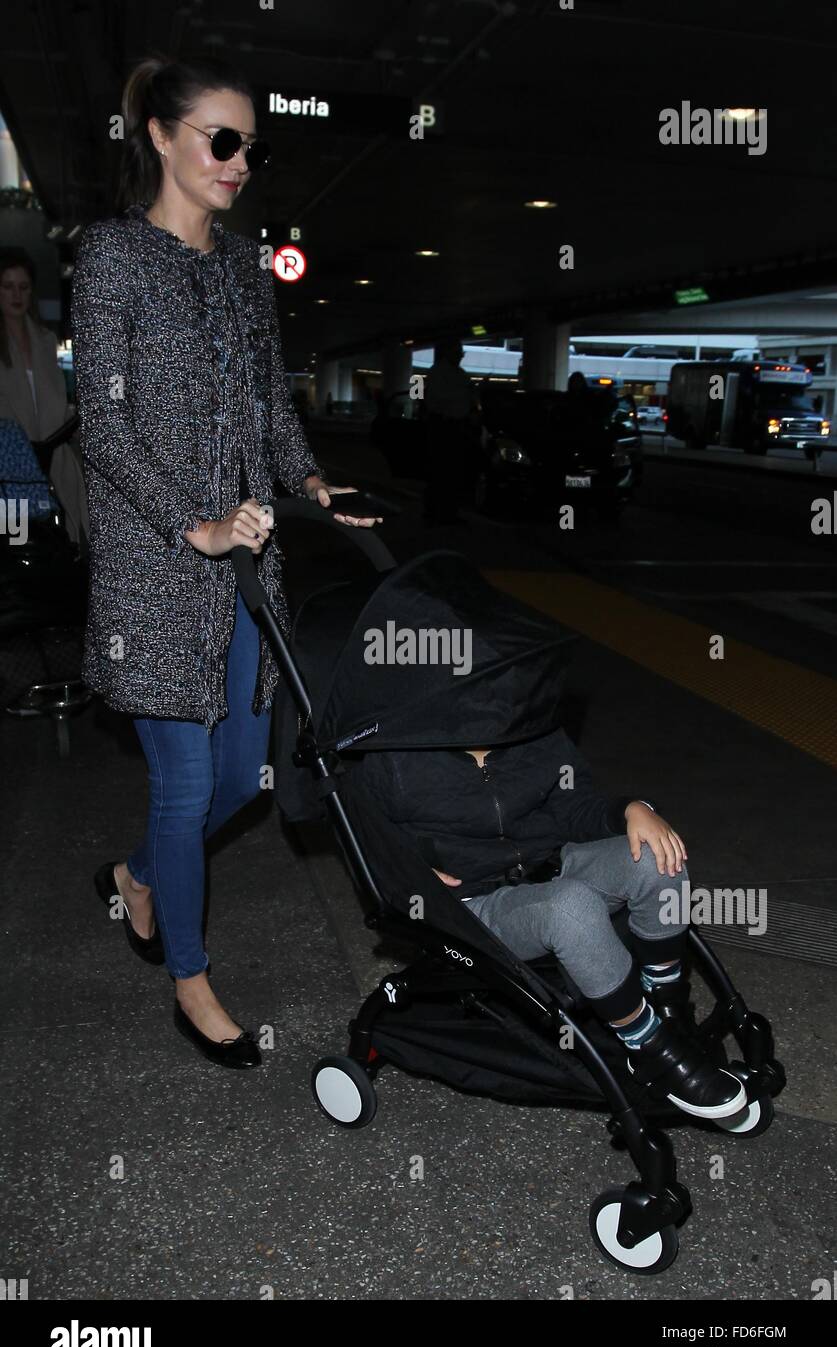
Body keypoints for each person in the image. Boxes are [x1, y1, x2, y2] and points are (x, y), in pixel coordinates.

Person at [71, 52, 382, 1069]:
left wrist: (312, 484)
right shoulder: (111, 257)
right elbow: (105, 428)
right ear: (161, 137)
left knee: (252, 770)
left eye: (251, 143)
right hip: (155, 569)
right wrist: (188, 525)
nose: (240, 160)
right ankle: (191, 981)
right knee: (185, 781)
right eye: (221, 138)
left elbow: (269, 408)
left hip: (248, 563)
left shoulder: (248, 265)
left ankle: (140, 878)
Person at [355, 728, 747, 1119]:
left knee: (657, 858)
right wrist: (405, 872)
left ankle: (668, 1010)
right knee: (570, 907)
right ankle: (646, 1045)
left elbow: (579, 810)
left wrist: (633, 809)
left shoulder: (535, 734)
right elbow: (368, 837)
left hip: (553, 865)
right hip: (473, 904)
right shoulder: (395, 758)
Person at [0, 248, 89, 544]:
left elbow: (56, 404)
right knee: (18, 547)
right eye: (8, 286)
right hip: (12, 467)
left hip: (56, 460)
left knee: (62, 549)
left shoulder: (45, 340)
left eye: (23, 287)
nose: (16, 295)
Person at [422, 335, 479, 523]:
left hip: (455, 426)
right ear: (450, 352)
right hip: (442, 426)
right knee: (440, 471)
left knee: (452, 472)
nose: (461, 356)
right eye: (459, 352)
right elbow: (437, 399)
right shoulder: (439, 372)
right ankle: (435, 513)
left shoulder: (459, 374)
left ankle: (447, 512)